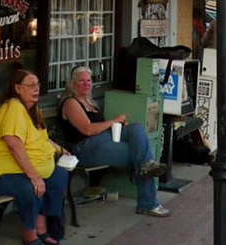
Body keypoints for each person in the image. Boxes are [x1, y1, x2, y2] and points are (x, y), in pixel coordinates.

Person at [0, 69, 68, 245]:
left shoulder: (33, 109)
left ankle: (42, 228)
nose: (36, 89)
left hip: (15, 171)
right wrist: (34, 176)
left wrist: (60, 150)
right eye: (31, 85)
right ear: (17, 88)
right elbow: (14, 144)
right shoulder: (13, 107)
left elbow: (42, 138)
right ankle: (30, 233)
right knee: (30, 187)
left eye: (38, 84)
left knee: (58, 175)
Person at [59, 65, 169, 218]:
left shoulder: (90, 103)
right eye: (81, 81)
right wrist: (114, 121)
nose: (86, 84)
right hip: (85, 148)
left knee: (136, 129)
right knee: (140, 155)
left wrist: (117, 124)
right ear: (72, 84)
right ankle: (148, 203)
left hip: (104, 141)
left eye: (89, 80)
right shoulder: (70, 103)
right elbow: (87, 129)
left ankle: (146, 170)